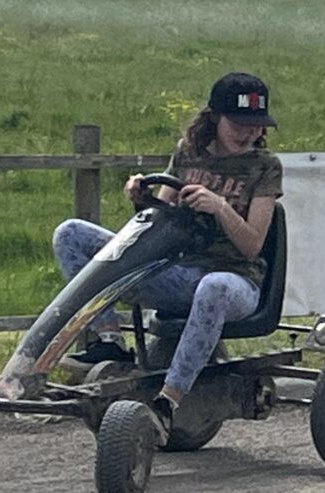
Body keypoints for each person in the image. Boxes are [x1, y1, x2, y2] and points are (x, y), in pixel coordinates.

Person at [52, 71, 284, 438]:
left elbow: (253, 245)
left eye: (256, 126)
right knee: (70, 234)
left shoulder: (265, 167)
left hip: (235, 281)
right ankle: (109, 341)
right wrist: (142, 194)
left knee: (214, 287)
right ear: (215, 117)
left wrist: (221, 207)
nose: (249, 133)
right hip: (178, 272)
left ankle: (167, 402)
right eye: (239, 124)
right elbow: (160, 222)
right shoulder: (187, 153)